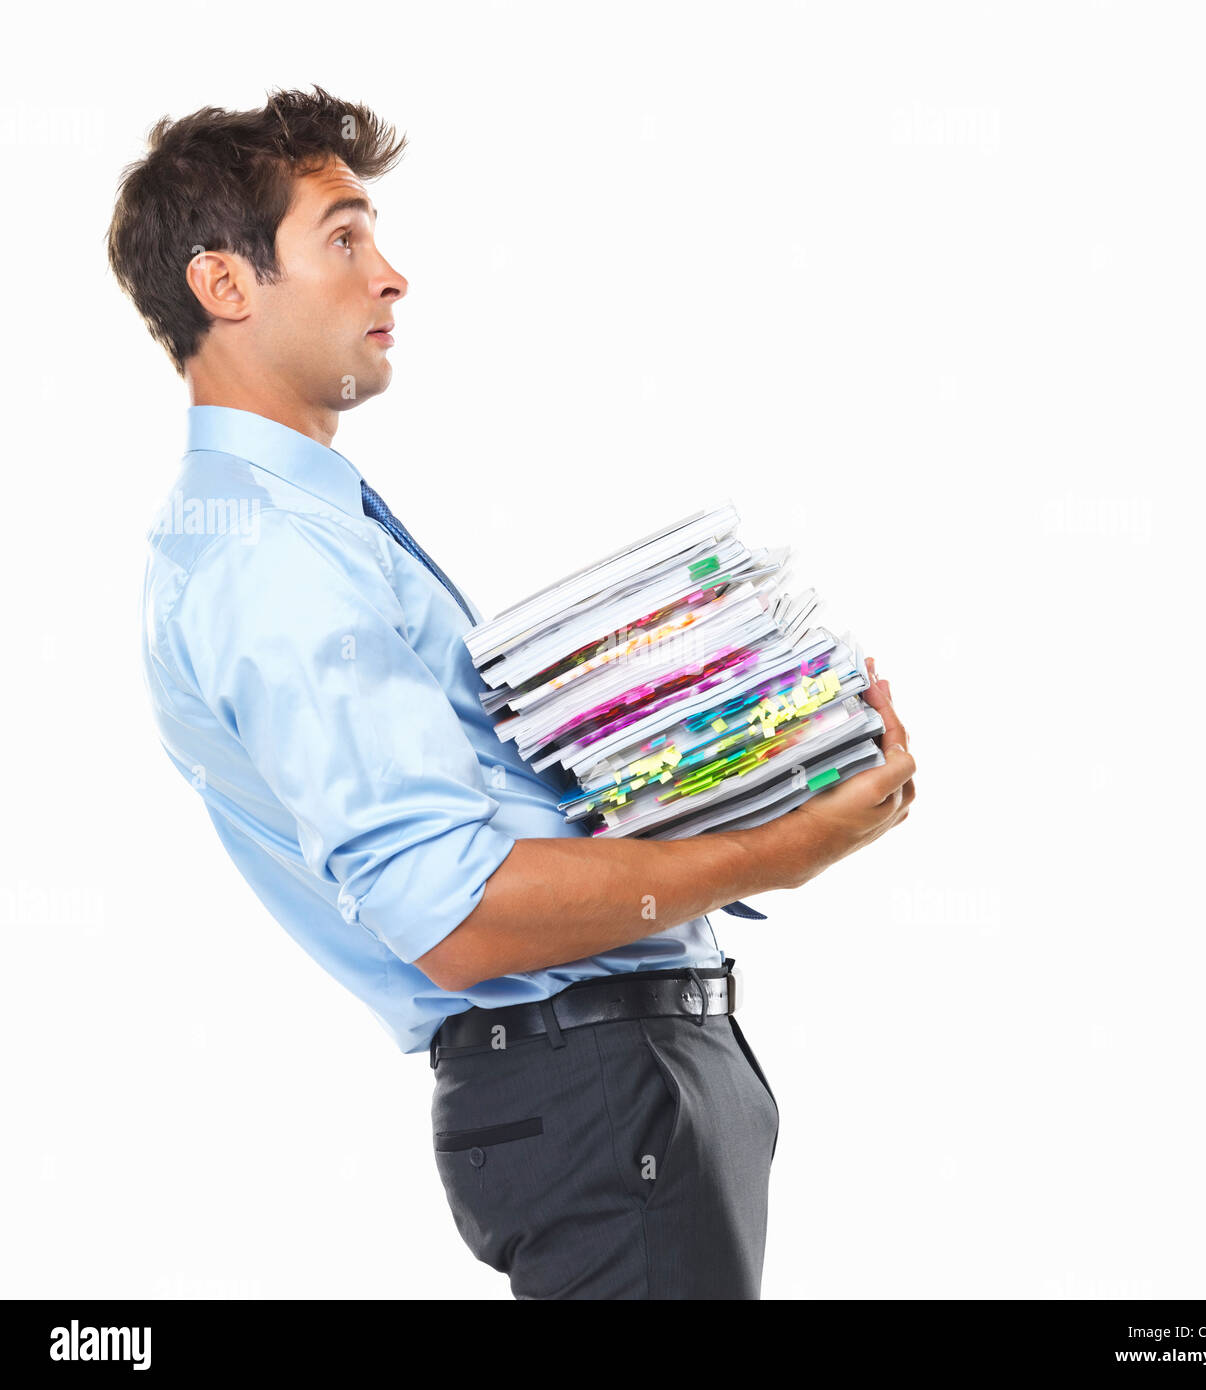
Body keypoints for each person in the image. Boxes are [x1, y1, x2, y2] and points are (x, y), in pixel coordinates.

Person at [107, 86, 916, 1300]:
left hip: (619, 1086)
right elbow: (454, 910)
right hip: (592, 1091)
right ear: (225, 286)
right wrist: (779, 850)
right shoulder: (264, 553)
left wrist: (753, 769)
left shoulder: (303, 529)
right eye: (342, 236)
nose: (390, 277)